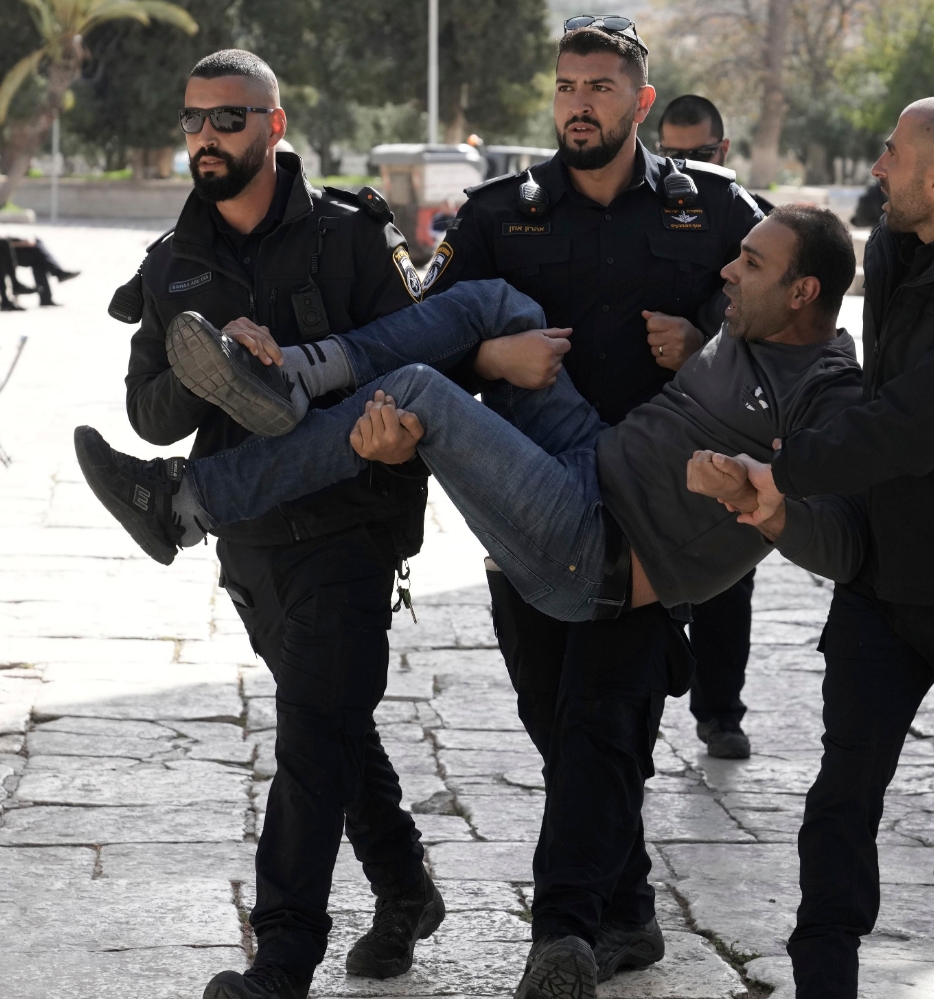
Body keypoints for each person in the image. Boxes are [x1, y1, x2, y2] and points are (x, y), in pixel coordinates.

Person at [75, 204, 862, 999]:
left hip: (596, 548)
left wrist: (764, 504)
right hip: (589, 460)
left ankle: (184, 503)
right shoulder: (742, 331)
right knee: (494, 305)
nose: (728, 270)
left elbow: (841, 540)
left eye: (752, 264)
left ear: (804, 293)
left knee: (422, 394)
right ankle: (297, 374)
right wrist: (680, 352)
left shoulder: (827, 393)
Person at [710, 97, 934, 999]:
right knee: (841, 800)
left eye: (891, 154)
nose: (877, 167)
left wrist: (788, 467)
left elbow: (918, 425)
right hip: (885, 583)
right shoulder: (894, 248)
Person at [423, 17, 763, 986]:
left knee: (603, 719)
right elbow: (432, 334)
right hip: (529, 509)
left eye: (602, 87)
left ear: (640, 101)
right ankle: (632, 908)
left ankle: (560, 933)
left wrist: (700, 341)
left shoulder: (722, 212)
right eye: (568, 87)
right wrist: (490, 355)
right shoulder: (497, 214)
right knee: (554, 718)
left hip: (650, 513)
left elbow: (788, 331)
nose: (581, 103)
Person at [118, 48, 446, 999]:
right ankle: (404, 887)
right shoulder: (172, 261)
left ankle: (285, 953)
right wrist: (200, 365)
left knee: (308, 738)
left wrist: (372, 420)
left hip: (353, 523)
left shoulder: (350, 234)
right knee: (334, 720)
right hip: (249, 539)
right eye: (193, 120)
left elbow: (414, 360)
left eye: (228, 118)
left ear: (275, 122)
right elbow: (145, 415)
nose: (206, 137)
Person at [656, 93, 767, 758]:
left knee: (729, 578)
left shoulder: (751, 222)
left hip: (726, 422)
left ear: (722, 153)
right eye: (671, 155)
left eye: (698, 156)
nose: (685, 169)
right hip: (652, 424)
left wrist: (701, 336)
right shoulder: (638, 208)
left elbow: (773, 313)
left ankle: (719, 710)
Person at [657, 93, 774, 217]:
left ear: (724, 148)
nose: (686, 165)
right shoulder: (641, 210)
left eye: (702, 154)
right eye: (674, 155)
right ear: (659, 152)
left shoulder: (755, 217)